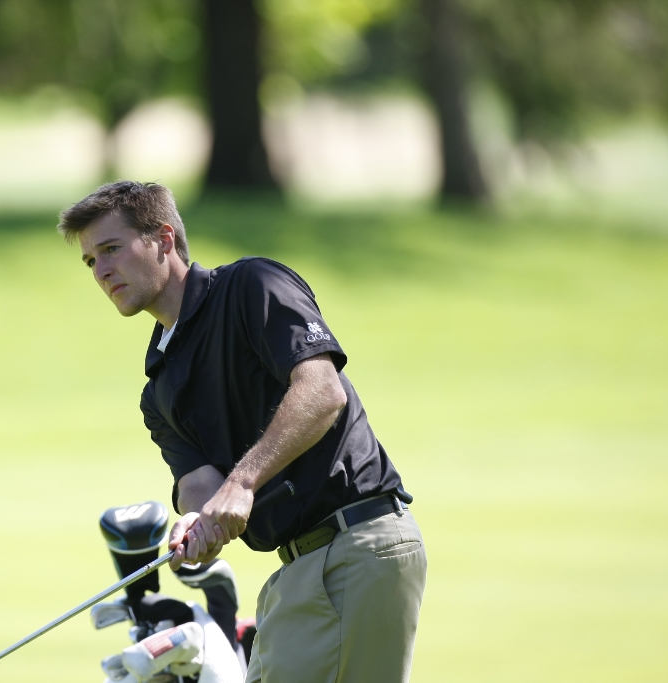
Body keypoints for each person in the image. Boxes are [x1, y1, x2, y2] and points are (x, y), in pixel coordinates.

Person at [58, 180, 427, 683]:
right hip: (299, 571)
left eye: (111, 249)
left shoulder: (252, 286)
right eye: (90, 261)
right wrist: (196, 524)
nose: (101, 270)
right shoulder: (159, 388)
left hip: (356, 543)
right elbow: (200, 487)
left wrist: (243, 482)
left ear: (164, 239)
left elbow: (322, 391)